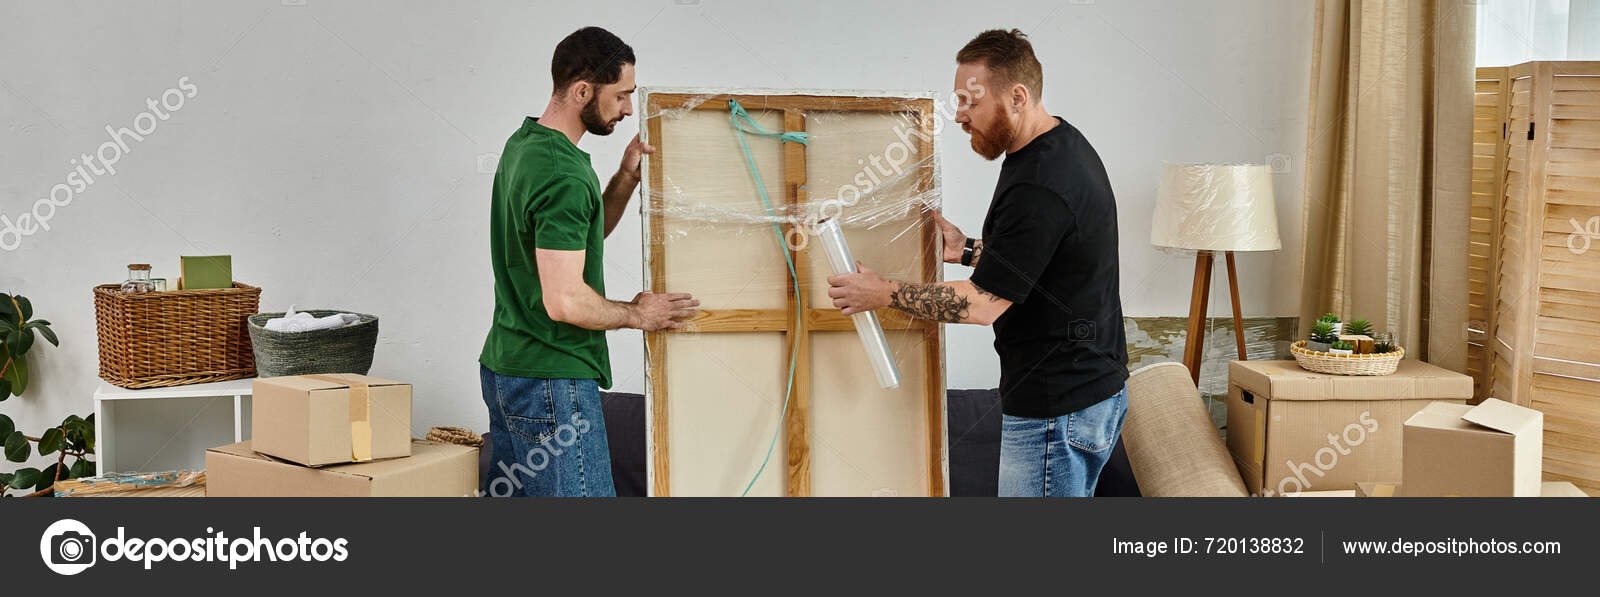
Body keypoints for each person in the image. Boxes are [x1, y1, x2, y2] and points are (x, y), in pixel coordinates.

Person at [827, 29, 1128, 497]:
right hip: (1083, 393)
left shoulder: (1041, 185)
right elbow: (1040, 265)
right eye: (957, 102)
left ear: (1018, 96)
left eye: (971, 102)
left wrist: (882, 293)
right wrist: (967, 249)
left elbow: (981, 305)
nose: (960, 116)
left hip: (1057, 407)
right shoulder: (1054, 146)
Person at [479, 26, 697, 497]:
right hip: (551, 381)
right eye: (620, 96)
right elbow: (565, 301)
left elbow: (576, 242)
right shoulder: (563, 174)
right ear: (582, 90)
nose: (627, 109)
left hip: (507, 368)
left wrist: (624, 177)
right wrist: (638, 314)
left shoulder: (527, 145)